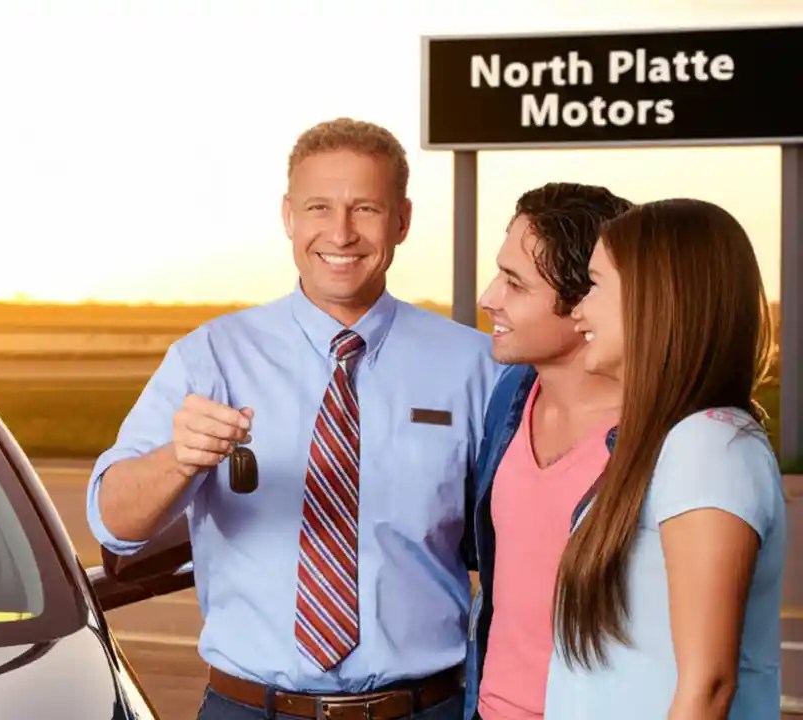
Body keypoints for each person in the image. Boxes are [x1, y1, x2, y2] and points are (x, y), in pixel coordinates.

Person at [86, 117, 501, 719]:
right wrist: (178, 461)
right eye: (318, 207)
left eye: (365, 209)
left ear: (403, 221)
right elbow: (113, 524)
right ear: (288, 217)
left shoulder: (475, 366)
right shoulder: (211, 357)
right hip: (249, 708)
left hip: (426, 708)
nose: (341, 232)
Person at [543, 198, 786, 719]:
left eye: (595, 285)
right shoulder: (666, 444)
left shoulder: (710, 446)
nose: (578, 309)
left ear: (654, 299)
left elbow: (708, 687)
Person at [461, 182, 633, 720]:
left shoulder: (659, 435)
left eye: (515, 284)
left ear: (588, 300)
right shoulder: (510, 396)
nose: (489, 297)